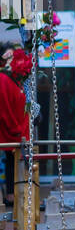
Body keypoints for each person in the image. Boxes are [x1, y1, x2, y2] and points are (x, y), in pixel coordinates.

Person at [0, 56, 28, 204]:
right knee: (11, 161)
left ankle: (13, 194)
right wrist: (15, 128)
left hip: (14, 129)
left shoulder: (13, 80)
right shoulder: (4, 79)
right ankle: (12, 194)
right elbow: (4, 108)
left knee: (12, 161)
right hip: (10, 130)